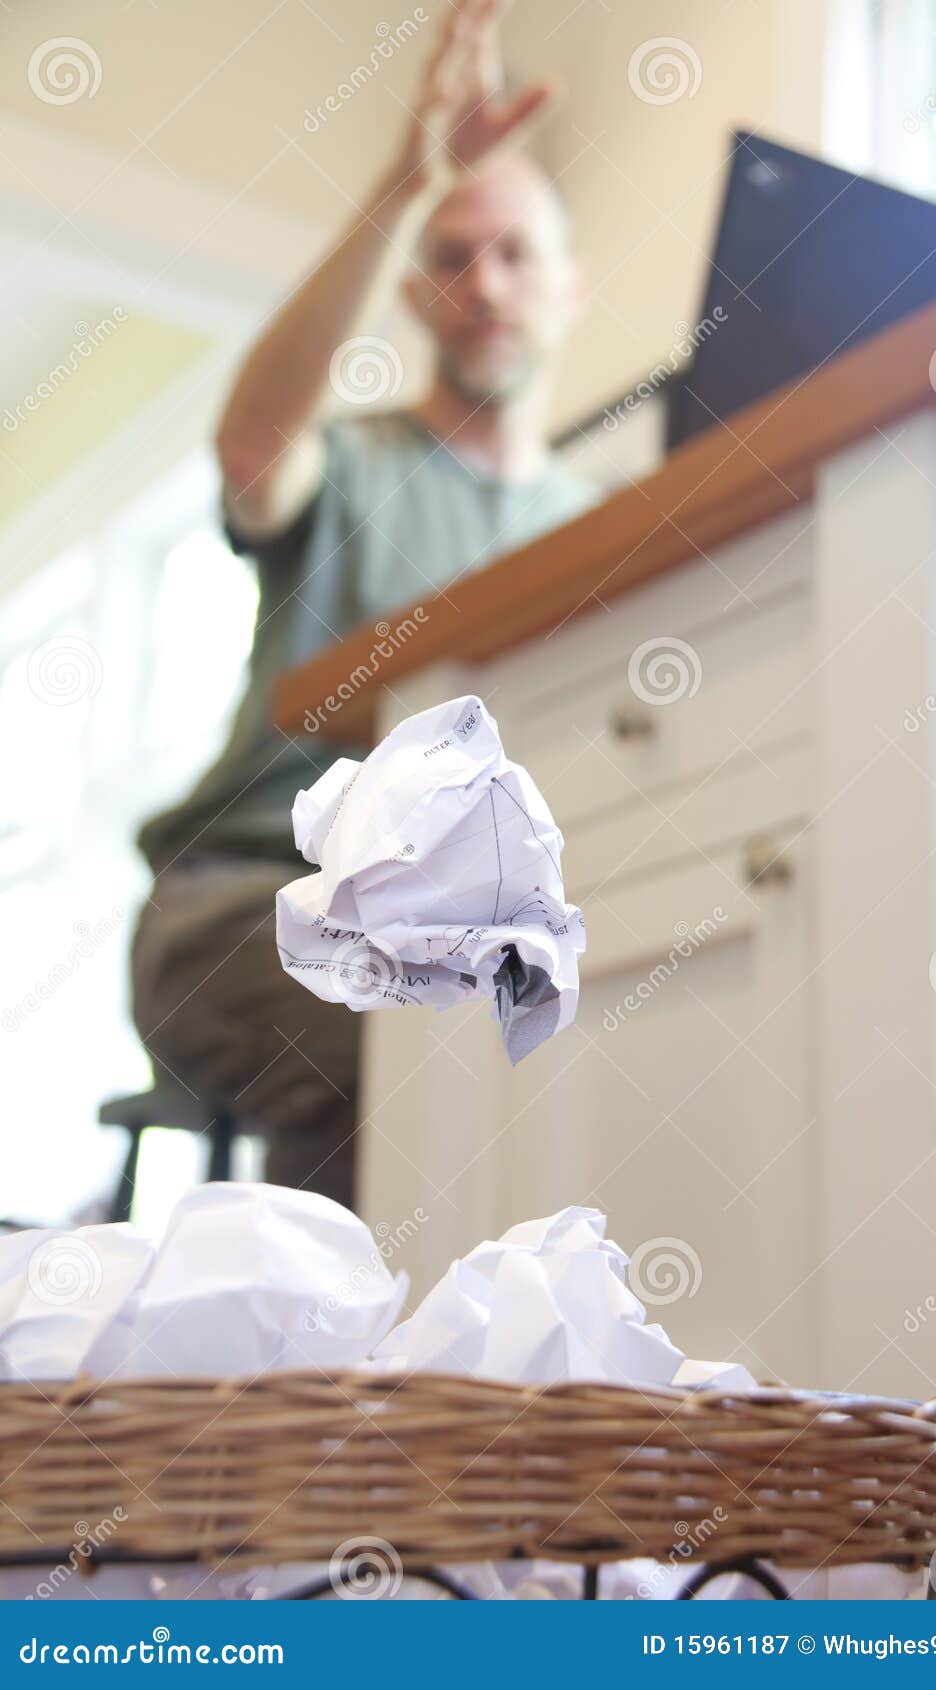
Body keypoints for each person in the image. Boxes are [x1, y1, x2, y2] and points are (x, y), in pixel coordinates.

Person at [131, 0, 597, 1210]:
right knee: (420, 1029)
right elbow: (251, 442)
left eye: (513, 254)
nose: (482, 282)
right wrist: (404, 185)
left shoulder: (600, 535)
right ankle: (336, 1389)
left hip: (469, 936)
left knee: (590, 1035)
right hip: (237, 907)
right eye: (448, 256)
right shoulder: (345, 469)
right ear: (412, 295)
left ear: (570, 290)